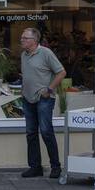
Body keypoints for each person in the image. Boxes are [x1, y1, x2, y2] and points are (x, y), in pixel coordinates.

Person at [19, 27, 65, 179]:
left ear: (34, 41)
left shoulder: (46, 53)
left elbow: (61, 72)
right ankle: (35, 167)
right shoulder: (24, 55)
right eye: (22, 37)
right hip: (28, 98)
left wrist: (49, 89)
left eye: (25, 38)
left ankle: (56, 166)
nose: (22, 40)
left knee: (46, 131)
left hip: (44, 98)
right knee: (31, 133)